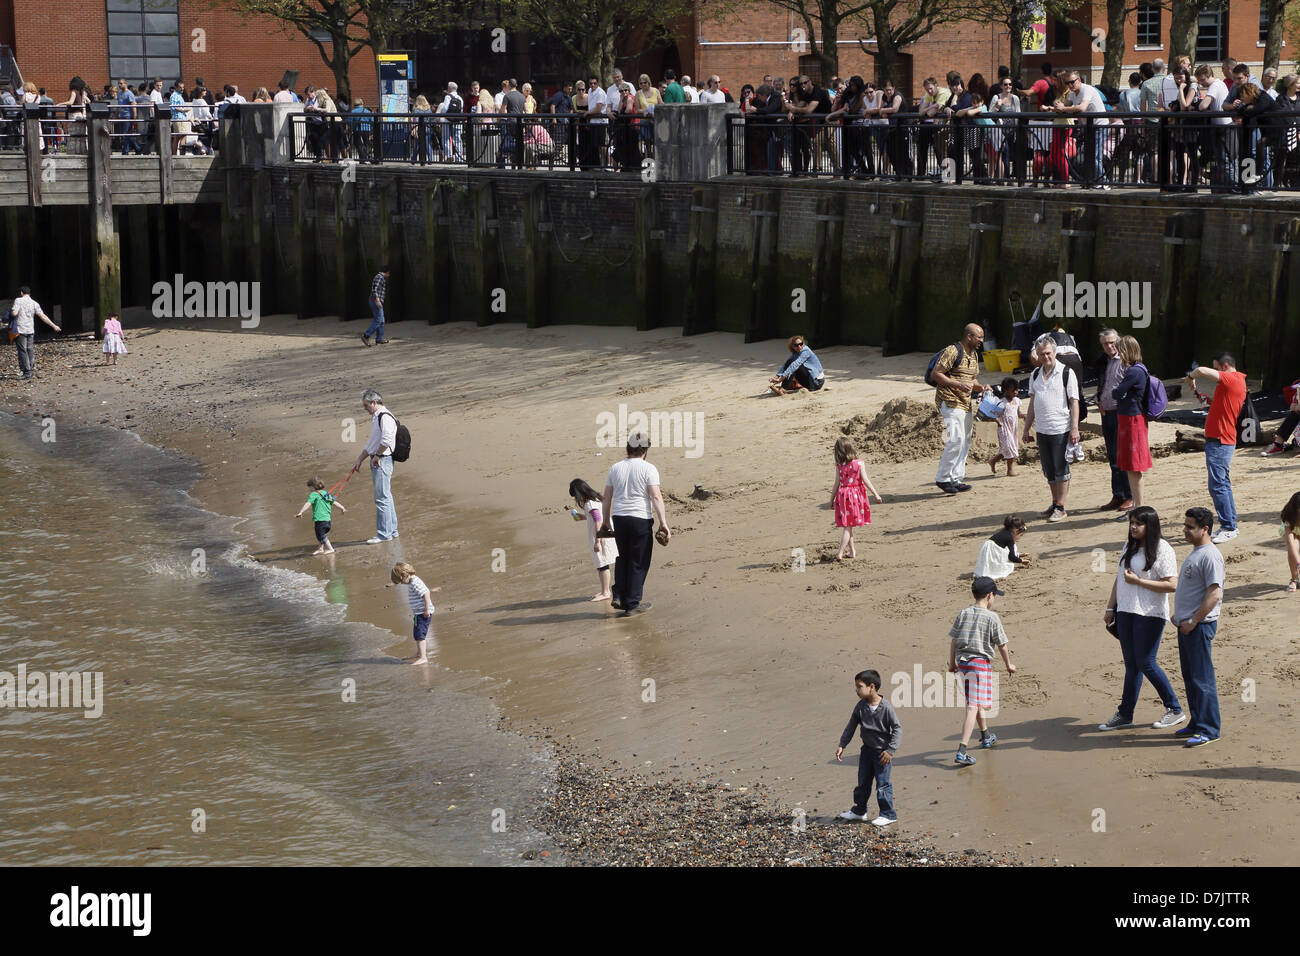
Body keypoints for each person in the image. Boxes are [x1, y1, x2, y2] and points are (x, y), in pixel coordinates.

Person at [1099, 506, 1185, 731]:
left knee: (1146, 662)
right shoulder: (1129, 546)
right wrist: (1111, 608)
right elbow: (1120, 579)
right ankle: (1125, 714)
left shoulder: (1163, 548)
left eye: (1138, 523)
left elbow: (1171, 584)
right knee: (1132, 666)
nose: (1133, 527)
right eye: (1131, 523)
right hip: (1126, 611)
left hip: (1150, 614)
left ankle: (1174, 709)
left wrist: (1139, 582)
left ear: (1150, 525)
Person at [598, 431, 670, 617]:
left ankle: (619, 595)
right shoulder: (648, 468)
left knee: (622, 558)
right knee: (639, 561)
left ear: (628, 448)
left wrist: (606, 521)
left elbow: (607, 497)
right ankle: (633, 603)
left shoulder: (615, 468)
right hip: (640, 519)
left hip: (620, 518)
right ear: (645, 450)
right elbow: (655, 496)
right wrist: (663, 523)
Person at [949, 576, 1016, 766]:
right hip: (980, 664)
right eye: (994, 596)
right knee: (972, 706)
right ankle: (962, 750)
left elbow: (953, 639)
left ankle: (986, 736)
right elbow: (1002, 644)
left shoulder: (963, 613)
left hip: (963, 664)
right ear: (989, 596)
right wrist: (1008, 664)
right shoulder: (992, 617)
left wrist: (951, 663)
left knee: (974, 701)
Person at [1171, 507, 1224, 747]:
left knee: (1202, 679)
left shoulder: (1210, 555)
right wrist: (1180, 616)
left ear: (1205, 529)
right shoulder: (1197, 552)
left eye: (1190, 527)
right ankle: (1197, 722)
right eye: (1185, 526)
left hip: (1199, 626)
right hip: (1187, 626)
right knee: (1191, 677)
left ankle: (1209, 729)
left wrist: (1193, 620)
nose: (1185, 531)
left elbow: (1214, 593)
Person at [1186, 353, 1246, 543]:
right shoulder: (1231, 383)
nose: (1215, 371)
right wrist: (1208, 400)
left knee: (1218, 485)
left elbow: (1201, 370)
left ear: (1225, 366)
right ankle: (1230, 524)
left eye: (1216, 367)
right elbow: (1223, 406)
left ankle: (1229, 526)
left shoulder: (1231, 379)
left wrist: (1190, 378)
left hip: (1221, 440)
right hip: (1219, 439)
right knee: (1222, 484)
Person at [1023, 333, 1080, 522]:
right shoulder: (1035, 375)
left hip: (1061, 429)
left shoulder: (1066, 372)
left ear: (1054, 353)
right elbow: (1032, 403)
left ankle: (1061, 507)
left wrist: (1074, 428)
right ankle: (1055, 503)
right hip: (1042, 430)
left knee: (1061, 469)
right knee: (1048, 470)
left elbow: (1074, 402)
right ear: (1037, 356)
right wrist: (1026, 428)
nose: (1045, 357)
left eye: (1048, 353)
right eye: (1041, 354)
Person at [834, 669, 901, 827]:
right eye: (856, 686)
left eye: (859, 686)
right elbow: (851, 726)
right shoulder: (860, 706)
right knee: (863, 782)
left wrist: (890, 750)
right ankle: (859, 810)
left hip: (882, 753)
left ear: (872, 687)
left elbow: (897, 729)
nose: (856, 690)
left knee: (882, 784)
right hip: (866, 751)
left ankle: (888, 814)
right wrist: (842, 744)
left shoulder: (885, 707)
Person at [932, 323, 985, 494]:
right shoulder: (953, 351)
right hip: (949, 400)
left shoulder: (974, 355)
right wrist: (957, 384)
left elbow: (972, 380)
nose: (981, 341)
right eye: (979, 337)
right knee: (956, 439)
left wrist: (983, 387)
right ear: (969, 336)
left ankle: (956, 478)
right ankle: (943, 478)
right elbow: (936, 374)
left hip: (965, 402)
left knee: (966, 440)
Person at [1110, 335, 1153, 520]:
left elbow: (1117, 392)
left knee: (1133, 466)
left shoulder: (1134, 371)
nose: (1118, 354)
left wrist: (1118, 391)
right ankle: (1137, 506)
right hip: (1131, 419)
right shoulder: (1137, 370)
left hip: (1132, 421)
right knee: (1131, 466)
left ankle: (1138, 507)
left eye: (1120, 350)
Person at [1094, 328, 1133, 511]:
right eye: (1105, 344)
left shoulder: (1127, 361)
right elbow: (1104, 383)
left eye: (1112, 342)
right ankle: (1117, 495)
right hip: (1106, 413)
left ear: (1119, 341)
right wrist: (1099, 398)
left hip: (1122, 414)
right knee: (1112, 456)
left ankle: (1128, 496)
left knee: (1123, 456)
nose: (1109, 346)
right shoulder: (1103, 362)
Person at [353, 389, 399, 543]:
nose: (364, 408)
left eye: (366, 405)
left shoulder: (384, 416)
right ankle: (392, 531)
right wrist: (361, 458)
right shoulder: (377, 417)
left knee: (382, 498)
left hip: (382, 460)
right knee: (386, 497)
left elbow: (386, 440)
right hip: (379, 459)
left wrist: (377, 456)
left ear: (374, 402)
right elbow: (372, 442)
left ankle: (384, 534)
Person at [830, 437, 882, 561]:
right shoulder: (859, 463)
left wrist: (831, 499)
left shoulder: (839, 466)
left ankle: (852, 551)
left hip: (843, 496)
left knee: (848, 525)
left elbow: (836, 484)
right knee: (848, 526)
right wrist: (876, 494)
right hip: (854, 497)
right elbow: (866, 480)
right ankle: (840, 552)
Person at [569, 478, 618, 602]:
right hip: (604, 534)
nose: (577, 499)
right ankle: (604, 590)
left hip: (601, 536)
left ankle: (606, 592)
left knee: (602, 564)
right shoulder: (595, 499)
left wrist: (597, 541)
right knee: (601, 564)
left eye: (576, 496)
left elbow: (598, 520)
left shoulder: (590, 504)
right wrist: (583, 517)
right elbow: (595, 517)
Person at [391, 562, 439, 665]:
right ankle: (419, 653)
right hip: (419, 613)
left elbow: (426, 594)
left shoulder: (415, 582)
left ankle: (423, 657)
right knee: (416, 633)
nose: (402, 583)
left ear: (405, 575)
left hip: (423, 613)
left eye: (401, 581)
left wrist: (427, 610)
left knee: (420, 635)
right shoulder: (413, 580)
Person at [9, 286, 60, 381]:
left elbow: (14, 313)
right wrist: (54, 326)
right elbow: (43, 316)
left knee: (22, 351)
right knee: (30, 349)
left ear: (21, 293)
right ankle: (31, 369)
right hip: (30, 330)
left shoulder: (18, 300)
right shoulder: (34, 303)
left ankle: (27, 372)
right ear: (29, 293)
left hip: (20, 329)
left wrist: (10, 313)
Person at [296, 476, 347, 555]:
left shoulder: (313, 494)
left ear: (313, 487)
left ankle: (331, 549)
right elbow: (333, 502)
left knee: (321, 535)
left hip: (320, 520)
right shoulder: (325, 493)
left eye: (309, 487)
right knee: (321, 534)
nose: (309, 489)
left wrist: (301, 511)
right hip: (327, 520)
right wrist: (342, 508)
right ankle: (320, 548)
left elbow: (308, 503)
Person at [974, 514, 1032, 580]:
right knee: (1009, 562)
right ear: (1015, 530)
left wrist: (1019, 555)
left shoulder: (1003, 532)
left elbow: (1004, 552)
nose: (1020, 538)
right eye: (1021, 535)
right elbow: (1011, 557)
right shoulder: (1009, 539)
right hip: (992, 552)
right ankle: (1004, 571)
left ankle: (992, 570)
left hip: (988, 550)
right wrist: (1021, 561)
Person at [988, 377, 1024, 475]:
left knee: (1008, 448)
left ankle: (993, 461)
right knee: (1009, 447)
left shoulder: (1017, 401)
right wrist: (998, 422)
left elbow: (1018, 413)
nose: (1015, 392)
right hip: (1004, 428)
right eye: (1013, 390)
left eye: (1016, 389)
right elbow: (992, 414)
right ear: (1005, 390)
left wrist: (1024, 416)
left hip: (1013, 429)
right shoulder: (1002, 402)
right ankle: (1010, 470)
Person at [361, 267, 390, 346]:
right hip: (375, 301)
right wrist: (377, 300)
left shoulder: (380, 277)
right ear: (387, 272)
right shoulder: (379, 277)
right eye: (389, 274)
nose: (389, 276)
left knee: (382, 320)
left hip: (376, 301)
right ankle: (366, 336)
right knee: (378, 320)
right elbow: (375, 289)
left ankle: (379, 339)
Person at [1279, 492, 1300, 591]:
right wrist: (1298, 563)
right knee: (1293, 548)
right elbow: (1290, 542)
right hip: (1294, 531)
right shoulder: (1288, 516)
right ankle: (1294, 579)